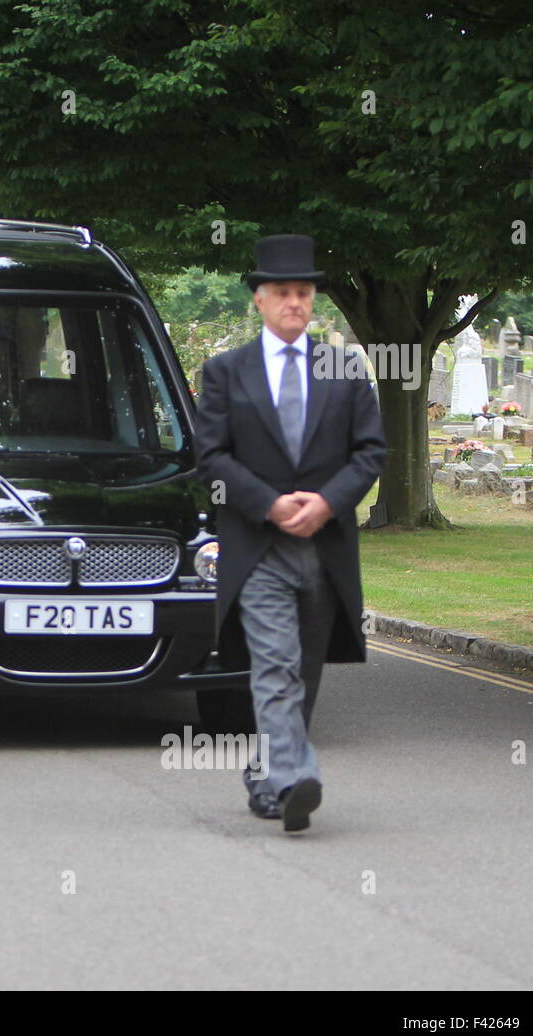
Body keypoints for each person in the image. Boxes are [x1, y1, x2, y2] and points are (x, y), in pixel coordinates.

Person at [193, 235, 388, 832]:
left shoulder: (344, 369)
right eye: (282, 292)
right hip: (259, 552)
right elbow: (211, 456)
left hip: (324, 553)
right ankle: (298, 777)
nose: (295, 303)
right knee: (273, 667)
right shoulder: (227, 371)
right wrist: (271, 504)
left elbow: (371, 451)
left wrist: (327, 502)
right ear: (259, 298)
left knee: (301, 676)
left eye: (304, 292)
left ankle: (267, 773)